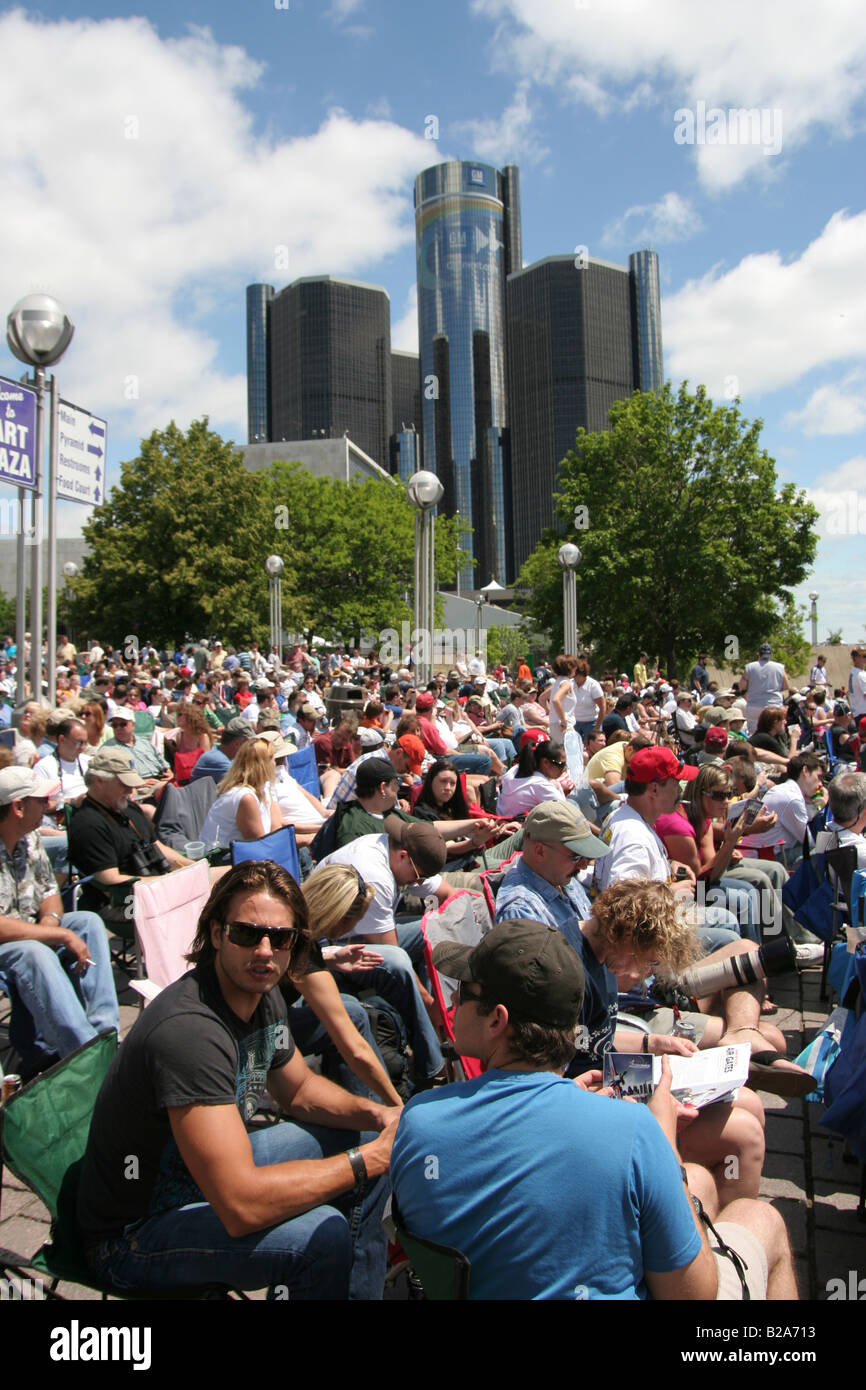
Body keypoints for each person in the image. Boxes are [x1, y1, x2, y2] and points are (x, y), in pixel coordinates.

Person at [391, 918, 797, 1300]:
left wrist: (566, 1102)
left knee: (701, 1183)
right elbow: (695, 1294)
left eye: (463, 991)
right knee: (760, 1217)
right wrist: (664, 1142)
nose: (453, 998)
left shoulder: (420, 1120)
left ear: (498, 1020)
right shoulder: (635, 1130)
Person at [76, 861, 398, 1299]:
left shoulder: (260, 996)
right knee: (322, 1237)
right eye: (247, 934)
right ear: (215, 935)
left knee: (362, 1136)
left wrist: (381, 1115)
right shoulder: (190, 1031)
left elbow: (299, 1090)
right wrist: (369, 1159)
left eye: (281, 938)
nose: (265, 951)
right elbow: (240, 1205)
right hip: (133, 1233)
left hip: (201, 1176)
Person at [0, 768, 118, 1072]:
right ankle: (85, 1057)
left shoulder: (30, 839)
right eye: (41, 800)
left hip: (30, 930)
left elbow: (50, 891)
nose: (49, 805)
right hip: (8, 942)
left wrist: (51, 923)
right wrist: (54, 936)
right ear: (18, 807)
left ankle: (105, 1033)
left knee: (88, 922)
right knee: (35, 951)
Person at [199, 739, 282, 850]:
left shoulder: (264, 788)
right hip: (222, 858)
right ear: (262, 765)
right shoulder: (245, 797)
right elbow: (261, 846)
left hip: (246, 853)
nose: (274, 762)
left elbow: (276, 829)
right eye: (271, 757)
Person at [496, 736, 570, 817]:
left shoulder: (516, 768)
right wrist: (558, 786)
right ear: (545, 762)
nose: (564, 769)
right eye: (561, 764)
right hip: (514, 824)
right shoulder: (541, 784)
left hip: (501, 816)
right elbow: (566, 813)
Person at [741, 642, 792, 735]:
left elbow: (742, 686)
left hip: (754, 705)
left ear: (758, 654)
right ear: (771, 654)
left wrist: (748, 697)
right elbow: (786, 686)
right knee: (775, 733)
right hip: (774, 705)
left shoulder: (749, 667)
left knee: (753, 734)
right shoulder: (780, 667)